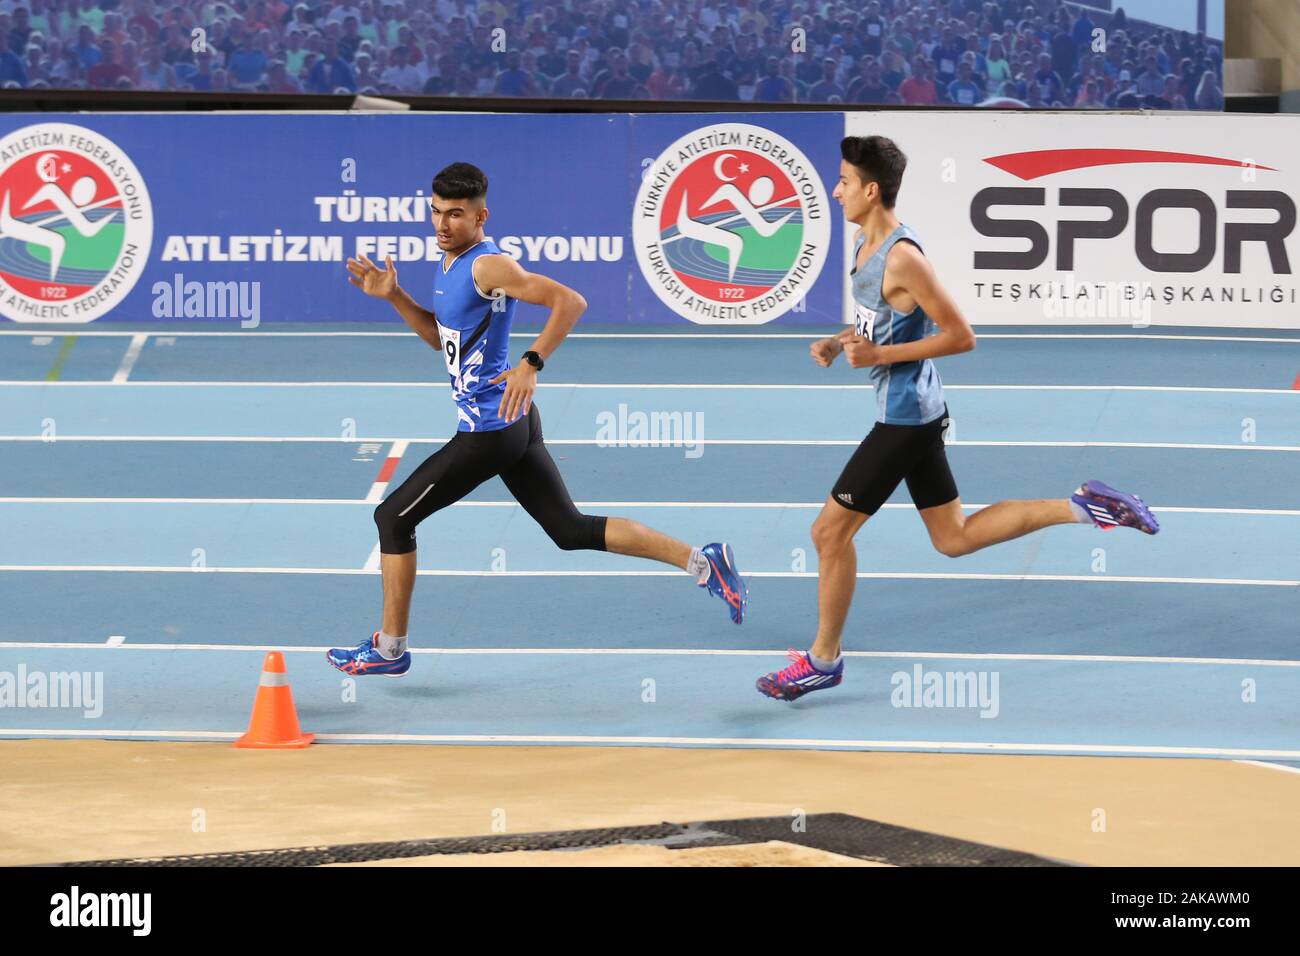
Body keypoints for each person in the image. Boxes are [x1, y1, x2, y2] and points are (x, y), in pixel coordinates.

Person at [754, 136, 1159, 702]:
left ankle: (824, 659)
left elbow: (961, 336)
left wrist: (877, 358)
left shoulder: (903, 257)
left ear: (871, 191)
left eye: (844, 181)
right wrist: (841, 340)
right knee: (953, 538)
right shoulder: (862, 245)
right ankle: (1084, 507)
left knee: (827, 532)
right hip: (918, 412)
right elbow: (889, 326)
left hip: (905, 420)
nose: (835, 188)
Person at [328, 163, 748, 677]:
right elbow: (441, 337)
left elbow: (570, 302)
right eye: (436, 212)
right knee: (569, 529)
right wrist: (394, 295)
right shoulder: (451, 261)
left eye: (455, 215)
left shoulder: (488, 266)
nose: (442, 224)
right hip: (515, 422)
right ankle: (703, 562)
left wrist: (532, 362)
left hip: (489, 430)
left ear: (481, 215)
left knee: (392, 517)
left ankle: (390, 650)